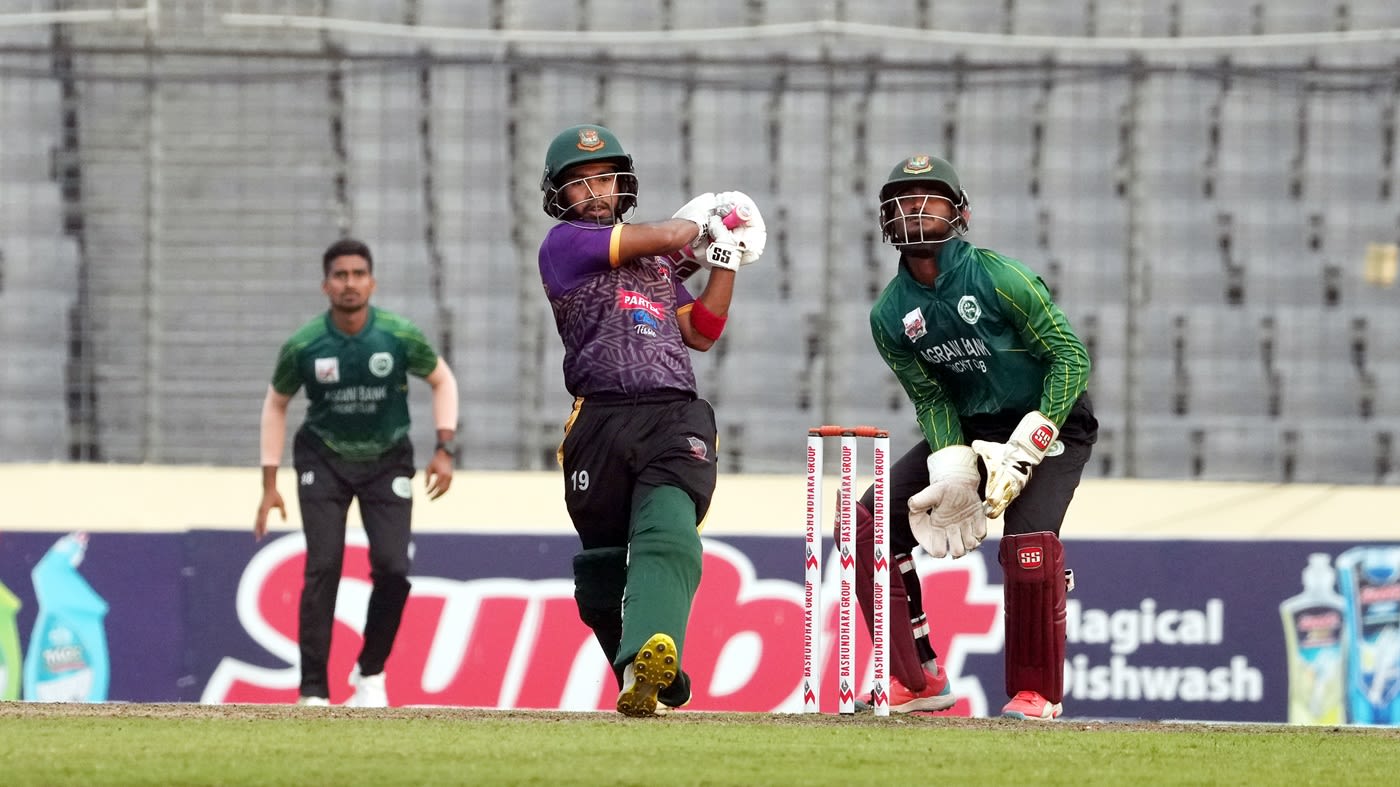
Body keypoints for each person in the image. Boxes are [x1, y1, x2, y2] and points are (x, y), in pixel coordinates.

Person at [847, 154, 1096, 720]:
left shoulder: (997, 277)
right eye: (904, 200)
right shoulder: (890, 314)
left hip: (1050, 421)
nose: (916, 208)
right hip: (976, 429)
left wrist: (1031, 440)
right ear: (886, 218)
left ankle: (1038, 692)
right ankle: (918, 678)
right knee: (864, 525)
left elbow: (1070, 357)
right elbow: (933, 398)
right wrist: (954, 465)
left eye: (930, 197)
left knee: (1028, 546)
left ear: (959, 212)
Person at [537, 123, 765, 717]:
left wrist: (725, 258)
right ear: (559, 195)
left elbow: (702, 332)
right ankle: (643, 671)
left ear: (623, 182)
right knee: (601, 573)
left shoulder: (658, 268)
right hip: (598, 420)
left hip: (672, 412)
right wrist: (709, 220)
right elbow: (668, 233)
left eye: (604, 178)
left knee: (670, 531)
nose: (592, 191)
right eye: (579, 182)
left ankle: (647, 657)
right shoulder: (563, 245)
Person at [254, 238, 459, 708]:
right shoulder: (305, 344)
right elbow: (275, 404)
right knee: (322, 566)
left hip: (387, 459)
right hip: (322, 459)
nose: (350, 283)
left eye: (358, 274)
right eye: (341, 275)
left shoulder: (398, 335)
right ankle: (312, 691)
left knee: (393, 568)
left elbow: (442, 380)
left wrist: (444, 448)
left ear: (373, 282)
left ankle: (370, 673)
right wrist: (269, 484)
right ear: (326, 285)